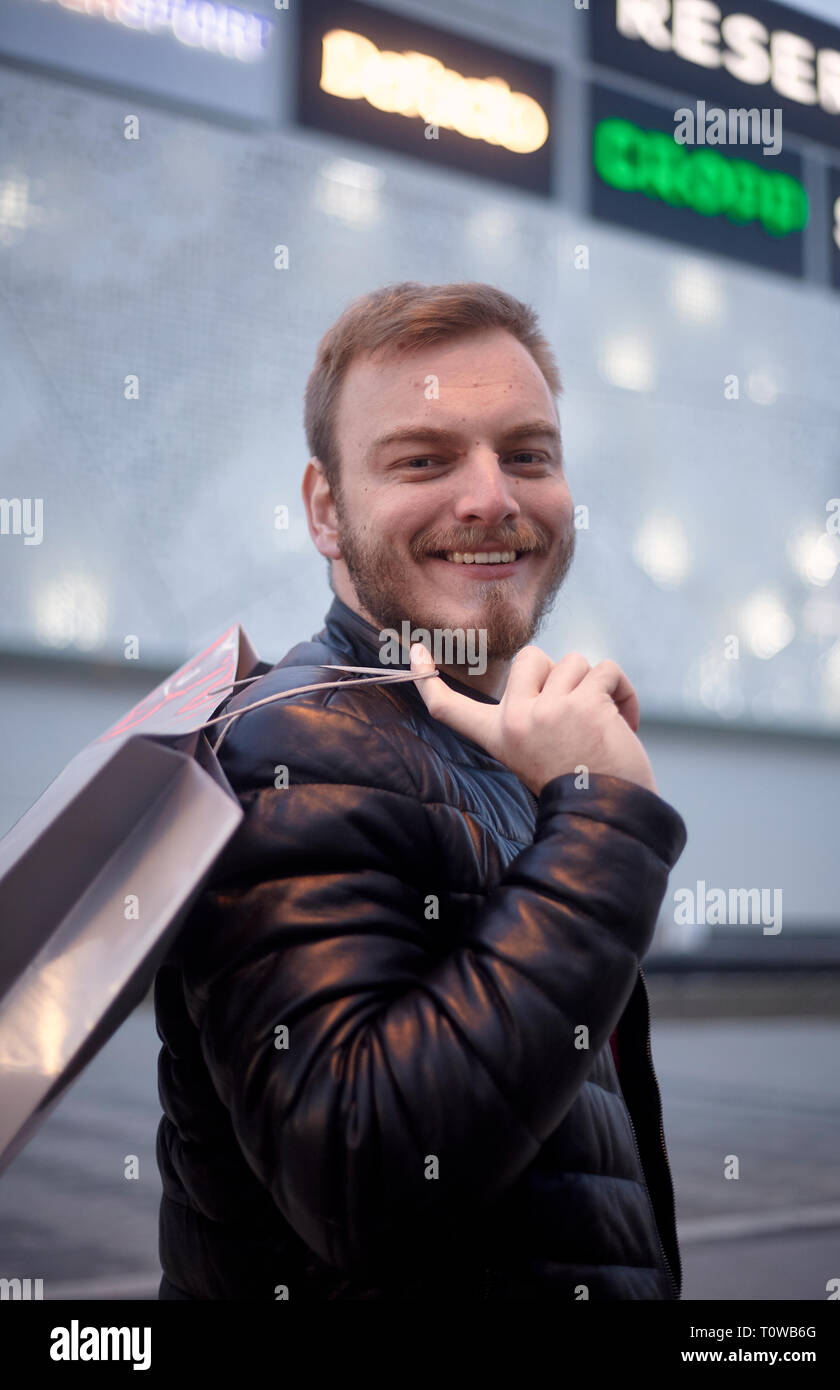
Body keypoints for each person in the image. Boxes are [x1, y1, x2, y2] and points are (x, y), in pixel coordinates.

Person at [154, 281, 688, 1300]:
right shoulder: (291, 746)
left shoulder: (478, 753)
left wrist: (566, 792)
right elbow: (361, 1176)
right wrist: (604, 824)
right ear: (324, 508)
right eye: (424, 459)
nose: (490, 496)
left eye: (525, 453)